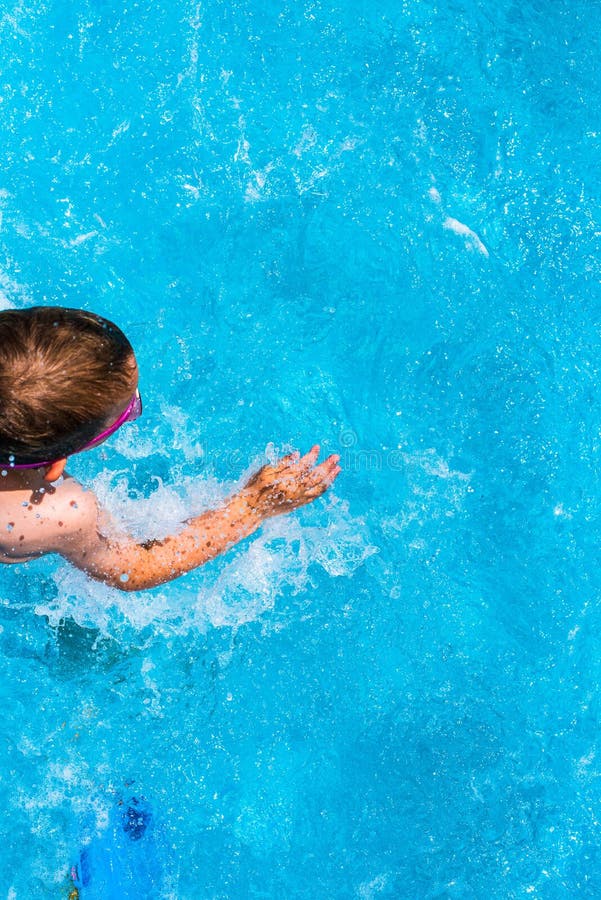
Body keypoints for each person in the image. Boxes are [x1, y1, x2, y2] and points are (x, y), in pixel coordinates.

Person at [0, 306, 340, 591]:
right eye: (129, 411)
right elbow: (132, 566)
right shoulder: (52, 513)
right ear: (55, 465)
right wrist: (252, 505)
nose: (135, 408)